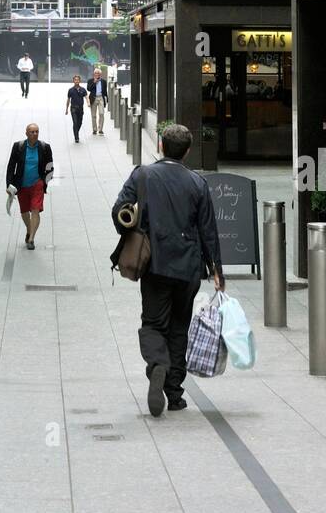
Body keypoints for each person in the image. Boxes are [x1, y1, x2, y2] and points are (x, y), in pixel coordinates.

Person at [111, 123, 224, 417]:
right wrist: (216, 269)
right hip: (188, 267)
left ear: (161, 145)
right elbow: (208, 229)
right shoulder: (198, 183)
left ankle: (157, 364)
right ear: (187, 151)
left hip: (155, 263)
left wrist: (133, 224)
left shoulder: (143, 174)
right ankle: (174, 393)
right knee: (178, 326)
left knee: (153, 323)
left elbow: (119, 209)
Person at [6, 122, 54, 250]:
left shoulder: (44, 147)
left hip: (37, 184)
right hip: (21, 184)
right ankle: (29, 228)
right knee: (24, 211)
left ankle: (31, 238)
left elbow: (50, 166)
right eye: (32, 132)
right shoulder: (19, 147)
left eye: (37, 131)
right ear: (26, 133)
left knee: (35, 210)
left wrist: (45, 181)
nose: (35, 134)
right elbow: (11, 166)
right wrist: (9, 185)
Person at [65, 73, 89, 143]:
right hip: (73, 108)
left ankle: (76, 131)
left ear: (79, 81)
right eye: (75, 80)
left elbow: (86, 97)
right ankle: (76, 137)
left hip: (80, 109)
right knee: (75, 123)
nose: (76, 81)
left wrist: (88, 103)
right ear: (73, 81)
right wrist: (66, 109)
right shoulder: (70, 90)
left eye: (78, 80)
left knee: (80, 122)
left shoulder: (83, 89)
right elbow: (68, 100)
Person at [88, 66, 108, 134]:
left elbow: (105, 92)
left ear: (100, 74)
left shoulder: (103, 82)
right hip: (93, 98)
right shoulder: (90, 80)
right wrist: (94, 82)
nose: (97, 74)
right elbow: (89, 89)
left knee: (101, 113)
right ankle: (94, 129)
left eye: (98, 73)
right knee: (93, 115)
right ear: (94, 74)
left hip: (101, 98)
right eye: (96, 73)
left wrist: (106, 100)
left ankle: (100, 129)